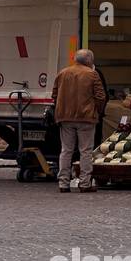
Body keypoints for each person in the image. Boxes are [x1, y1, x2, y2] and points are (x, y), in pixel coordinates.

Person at [50, 48, 107, 193]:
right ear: (89, 61)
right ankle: (85, 183)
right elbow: (101, 97)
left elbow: (54, 94)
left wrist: (61, 109)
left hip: (65, 117)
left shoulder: (62, 73)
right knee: (85, 151)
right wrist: (97, 112)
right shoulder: (92, 74)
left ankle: (63, 183)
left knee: (66, 150)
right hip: (86, 118)